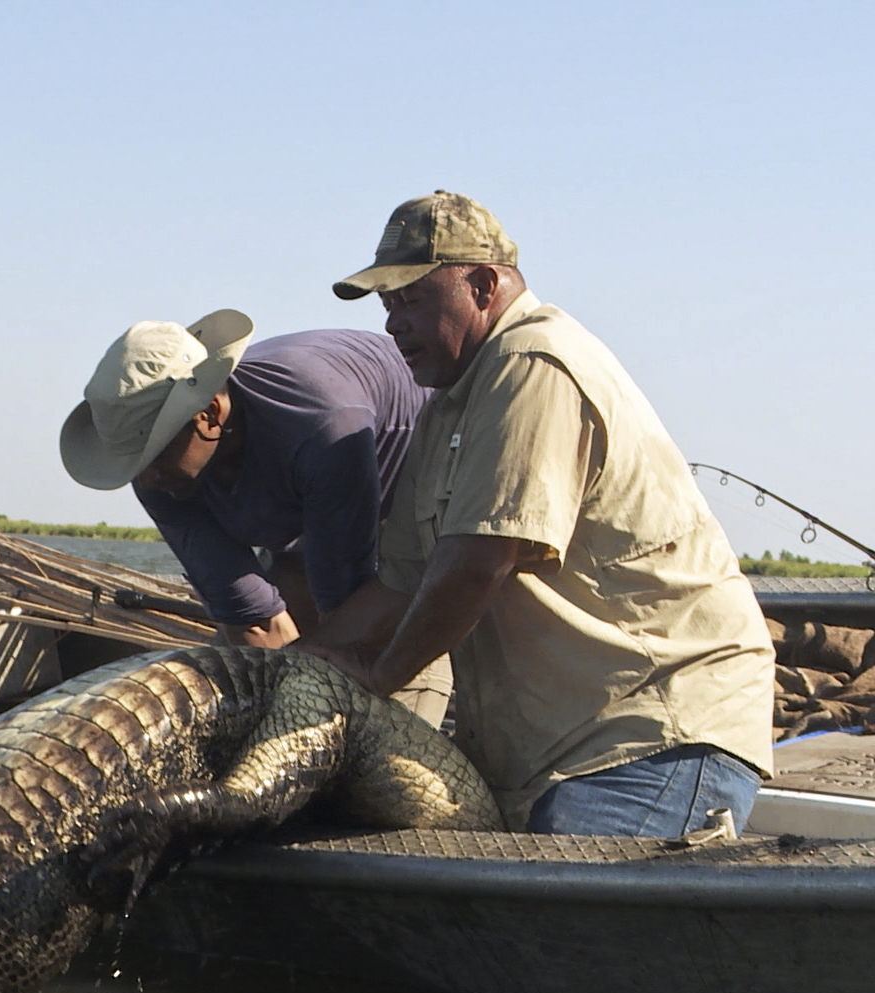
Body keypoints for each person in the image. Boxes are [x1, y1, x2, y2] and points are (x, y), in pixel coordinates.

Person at [297, 191, 774, 836]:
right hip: (556, 753)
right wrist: (291, 668)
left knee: (568, 905)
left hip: (655, 733)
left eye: (409, 300)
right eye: (386, 306)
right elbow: (400, 584)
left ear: (484, 285)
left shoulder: (532, 363)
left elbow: (474, 564)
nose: (392, 326)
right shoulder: (447, 407)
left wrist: (371, 685)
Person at [59, 310, 440, 702]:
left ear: (208, 415)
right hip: (306, 500)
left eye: (154, 456)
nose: (147, 480)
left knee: (376, 673)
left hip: (417, 473)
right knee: (250, 683)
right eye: (135, 464)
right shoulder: (159, 478)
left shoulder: (323, 427)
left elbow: (349, 617)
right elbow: (252, 618)